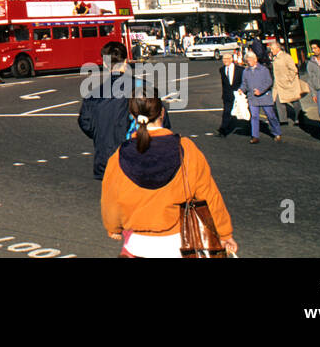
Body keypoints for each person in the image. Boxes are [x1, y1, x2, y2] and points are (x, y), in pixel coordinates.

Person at [101, 95, 238, 258]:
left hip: (137, 245)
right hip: (179, 242)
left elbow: (110, 199)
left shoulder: (120, 155)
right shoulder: (185, 148)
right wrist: (224, 233)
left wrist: (113, 227)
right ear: (162, 113)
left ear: (132, 116)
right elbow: (209, 195)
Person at [79, 41, 132, 180]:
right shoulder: (146, 89)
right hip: (138, 158)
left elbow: (86, 123)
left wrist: (102, 133)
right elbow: (161, 121)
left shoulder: (93, 95)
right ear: (126, 61)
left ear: (105, 64)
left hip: (106, 158)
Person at [239, 50, 280, 143]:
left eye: (250, 60)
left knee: (270, 116)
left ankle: (277, 132)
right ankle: (255, 136)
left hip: (264, 96)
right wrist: (241, 89)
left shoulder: (263, 69)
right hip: (252, 97)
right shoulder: (245, 71)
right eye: (247, 60)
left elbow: (269, 82)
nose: (248, 62)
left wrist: (260, 90)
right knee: (254, 116)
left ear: (255, 59)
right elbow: (244, 83)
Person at [268, 40, 303, 126]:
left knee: (294, 101)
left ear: (278, 48)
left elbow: (294, 69)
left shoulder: (286, 57)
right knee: (278, 101)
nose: (271, 51)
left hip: (288, 84)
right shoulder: (275, 58)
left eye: (272, 49)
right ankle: (283, 120)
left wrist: (288, 79)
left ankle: (299, 118)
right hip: (279, 84)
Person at [216, 51, 243, 137]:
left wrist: (242, 89)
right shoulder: (221, 70)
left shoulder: (240, 69)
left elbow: (243, 81)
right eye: (224, 59)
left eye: (227, 58)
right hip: (227, 95)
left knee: (244, 111)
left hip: (238, 94)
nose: (225, 60)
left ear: (231, 59)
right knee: (226, 112)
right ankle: (223, 130)